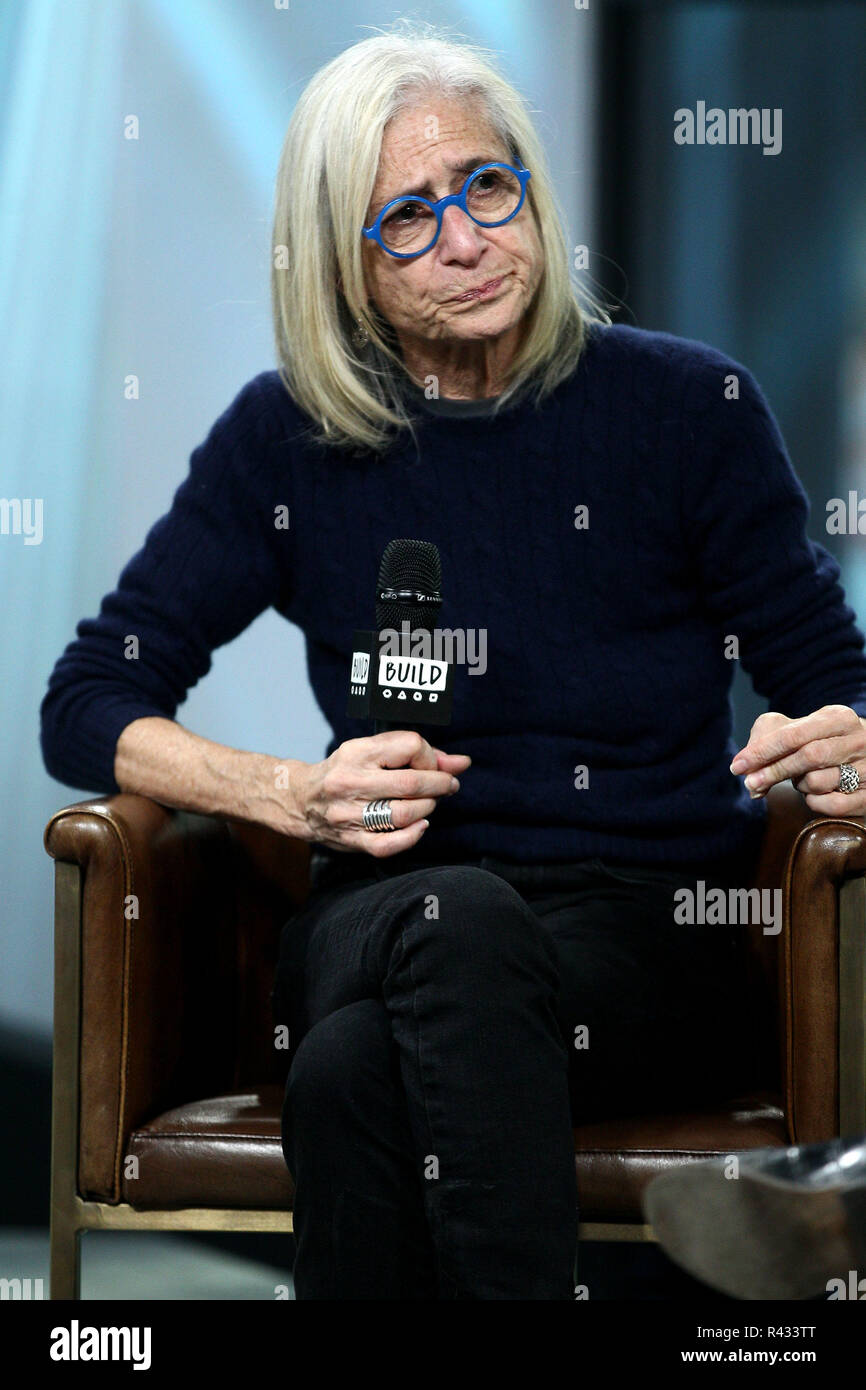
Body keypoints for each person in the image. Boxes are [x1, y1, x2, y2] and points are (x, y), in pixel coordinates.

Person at [40, 22, 866, 1300]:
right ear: (345, 268)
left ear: (528, 187)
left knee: (345, 1072)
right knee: (453, 914)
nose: (468, 239)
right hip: (378, 908)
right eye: (407, 220)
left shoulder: (685, 413)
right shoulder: (289, 444)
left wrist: (850, 742)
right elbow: (87, 700)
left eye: (486, 186)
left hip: (647, 935)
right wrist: (285, 792)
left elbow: (835, 677)